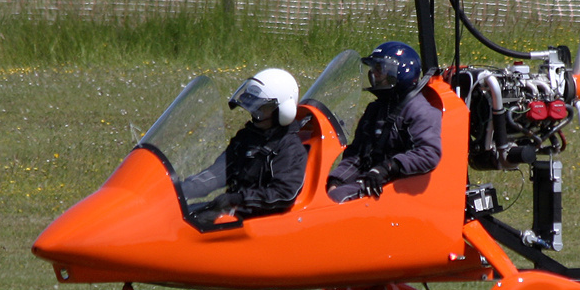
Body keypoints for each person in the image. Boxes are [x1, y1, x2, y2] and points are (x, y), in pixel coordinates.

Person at [183, 68, 308, 228]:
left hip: (262, 221)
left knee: (193, 225)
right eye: (252, 105)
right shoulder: (246, 137)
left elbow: (283, 194)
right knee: (179, 215)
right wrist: (181, 190)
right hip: (236, 210)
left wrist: (239, 199)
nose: (254, 113)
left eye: (261, 109)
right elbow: (217, 173)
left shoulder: (289, 148)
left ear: (283, 111)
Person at [327, 41, 442, 202]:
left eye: (379, 69)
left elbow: (429, 154)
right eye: (373, 68)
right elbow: (357, 155)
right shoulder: (375, 110)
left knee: (336, 199)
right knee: (323, 195)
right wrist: (336, 180)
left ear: (400, 73)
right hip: (373, 181)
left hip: (396, 187)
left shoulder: (421, 112)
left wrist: (388, 167)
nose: (373, 74)